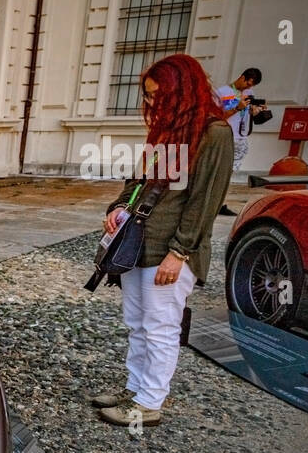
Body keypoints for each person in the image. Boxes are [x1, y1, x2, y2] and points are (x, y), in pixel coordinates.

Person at [91, 54, 233, 427]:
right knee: (138, 323)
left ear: (180, 92)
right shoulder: (169, 130)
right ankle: (135, 389)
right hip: (140, 245)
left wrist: (180, 253)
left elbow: (205, 201)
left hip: (170, 251)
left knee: (160, 326)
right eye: (148, 96)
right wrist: (119, 207)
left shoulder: (214, 134)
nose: (151, 104)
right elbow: (136, 182)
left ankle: (149, 403)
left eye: (157, 96)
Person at [215, 67, 267, 173]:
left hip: (241, 137)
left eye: (252, 86)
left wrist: (256, 110)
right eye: (248, 84)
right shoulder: (222, 92)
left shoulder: (249, 92)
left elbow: (249, 112)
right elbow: (217, 117)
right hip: (226, 137)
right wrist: (237, 107)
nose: (248, 87)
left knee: (232, 171)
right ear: (242, 77)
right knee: (221, 169)